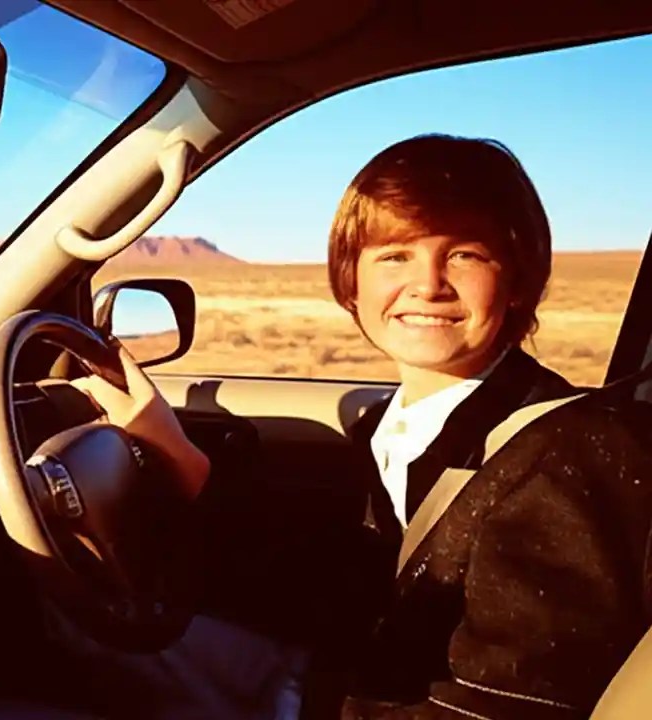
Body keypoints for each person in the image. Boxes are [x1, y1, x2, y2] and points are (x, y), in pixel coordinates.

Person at [71, 134, 652, 718]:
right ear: (351, 281)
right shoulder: (392, 425)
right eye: (396, 255)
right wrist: (177, 454)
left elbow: (504, 703)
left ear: (519, 280)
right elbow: (340, 586)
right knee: (76, 628)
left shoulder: (572, 454)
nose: (428, 284)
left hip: (350, 701)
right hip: (337, 676)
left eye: (465, 254)